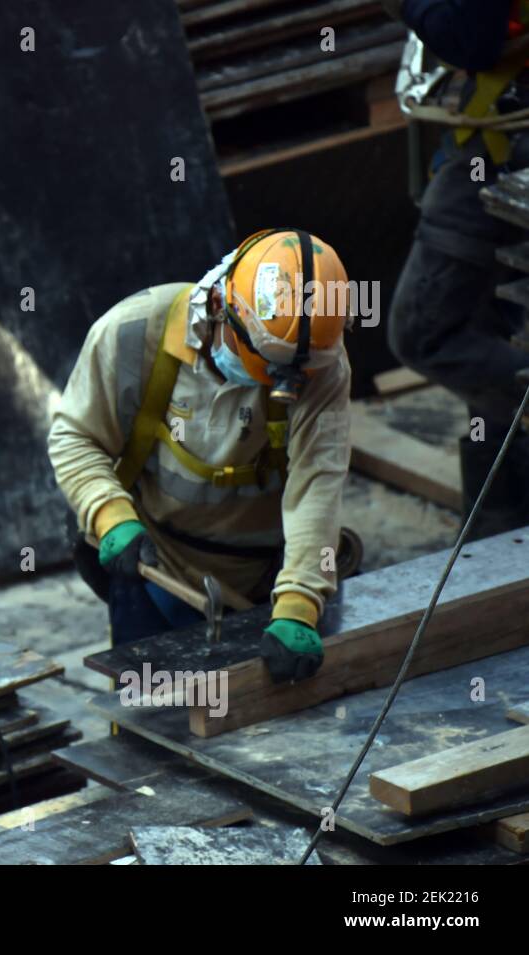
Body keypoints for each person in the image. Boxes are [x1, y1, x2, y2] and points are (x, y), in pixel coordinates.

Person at [49, 230, 353, 682]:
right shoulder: (132, 334)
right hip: (157, 566)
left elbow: (317, 486)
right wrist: (108, 514)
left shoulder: (318, 364)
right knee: (149, 727)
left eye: (297, 374)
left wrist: (299, 604)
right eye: (270, 369)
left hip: (269, 572)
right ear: (217, 307)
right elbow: (74, 436)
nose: (287, 386)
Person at [386, 0, 529, 535]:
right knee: (496, 332)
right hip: (496, 127)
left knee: (428, 333)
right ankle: (497, 536)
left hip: (504, 139)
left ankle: (498, 531)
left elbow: (472, 36)